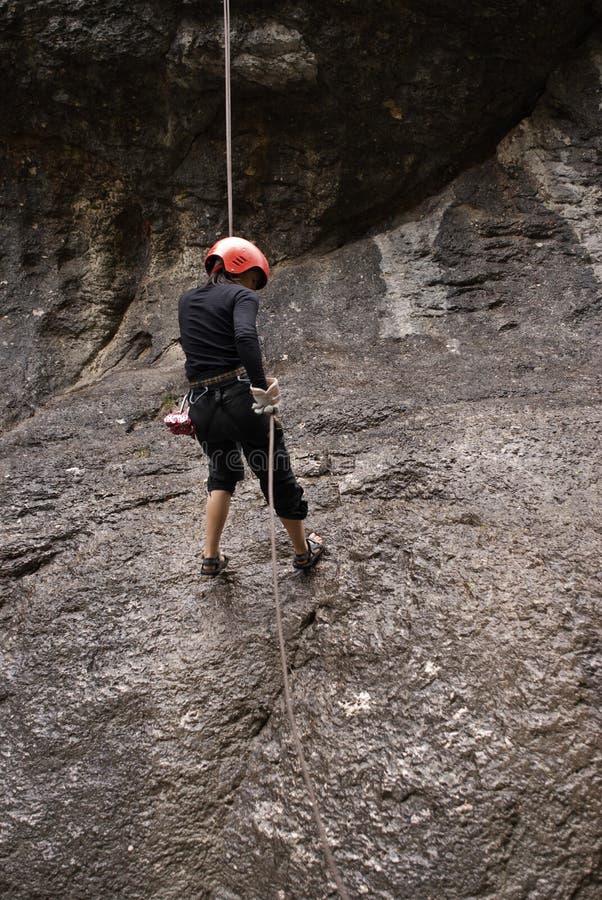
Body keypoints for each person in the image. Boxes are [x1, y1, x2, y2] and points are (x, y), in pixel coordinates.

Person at [178, 236, 325, 576]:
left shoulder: (186, 300)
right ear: (240, 267)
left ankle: (211, 555)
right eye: (253, 280)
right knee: (275, 472)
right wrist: (260, 388)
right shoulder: (241, 295)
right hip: (240, 400)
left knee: (221, 472)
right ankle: (303, 551)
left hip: (202, 405)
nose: (252, 288)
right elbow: (244, 336)